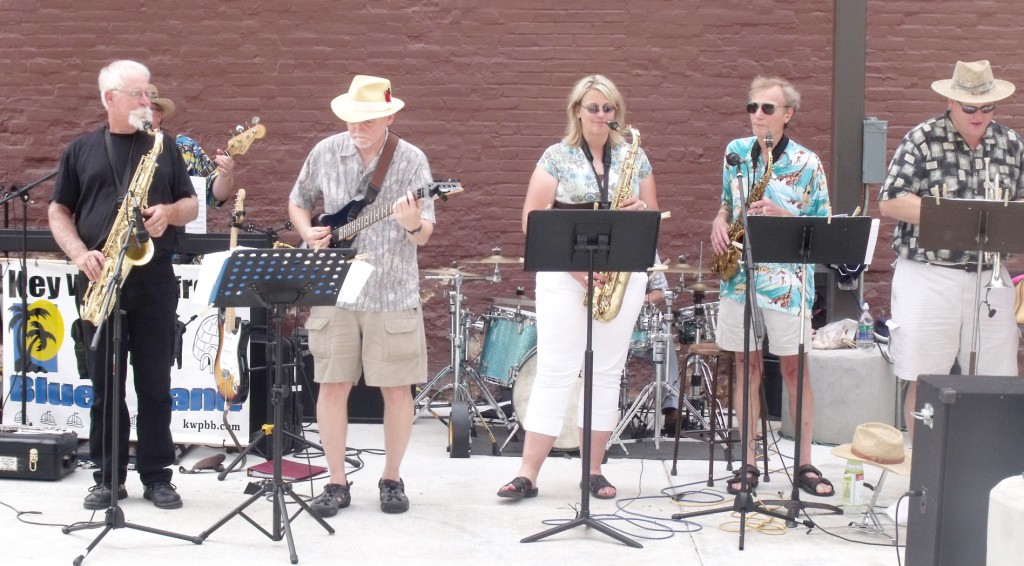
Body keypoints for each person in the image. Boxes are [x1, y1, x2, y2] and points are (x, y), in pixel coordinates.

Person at [48, 60, 198, 510]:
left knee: (155, 383)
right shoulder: (80, 151)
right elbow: (59, 211)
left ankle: (157, 476)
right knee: (105, 388)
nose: (146, 102)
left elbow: (191, 203)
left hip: (152, 279)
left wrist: (169, 213)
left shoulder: (162, 146)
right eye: (137, 95)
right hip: (100, 277)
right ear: (109, 99)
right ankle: (108, 476)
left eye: (148, 94)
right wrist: (79, 253)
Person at [498, 74, 656, 501]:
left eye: (609, 109)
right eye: (593, 108)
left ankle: (594, 471)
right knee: (555, 371)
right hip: (564, 276)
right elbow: (532, 219)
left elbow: (652, 219)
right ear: (577, 112)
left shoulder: (635, 159)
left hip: (621, 275)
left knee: (606, 374)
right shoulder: (557, 157)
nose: (602, 116)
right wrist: (578, 271)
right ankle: (528, 474)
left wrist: (641, 207)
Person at [288, 75, 434, 516]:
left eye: (367, 120)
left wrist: (410, 222)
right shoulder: (325, 151)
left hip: (392, 292)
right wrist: (306, 232)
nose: (358, 128)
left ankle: (392, 478)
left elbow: (424, 233)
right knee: (331, 386)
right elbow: (298, 201)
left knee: (396, 390)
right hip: (335, 291)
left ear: (389, 115)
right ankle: (336, 482)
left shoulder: (410, 160)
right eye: (352, 119)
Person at [879, 60, 1021, 440]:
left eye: (987, 107)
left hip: (989, 277)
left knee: (997, 378)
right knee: (925, 376)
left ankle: (985, 468)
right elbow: (891, 201)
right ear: (951, 102)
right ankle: (921, 467)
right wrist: (955, 218)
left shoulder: (1010, 144)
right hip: (929, 274)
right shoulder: (922, 139)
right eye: (970, 107)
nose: (979, 115)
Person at [709, 76, 833, 497]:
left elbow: (825, 225)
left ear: (787, 114)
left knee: (795, 368)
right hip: (741, 278)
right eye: (752, 108)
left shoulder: (807, 162)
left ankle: (805, 463)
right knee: (747, 366)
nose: (758, 115)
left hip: (788, 280)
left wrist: (784, 214)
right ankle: (748, 462)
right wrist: (719, 221)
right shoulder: (736, 153)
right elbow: (727, 202)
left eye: (767, 108)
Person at [147, 84, 237, 208]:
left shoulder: (184, 147)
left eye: (147, 109)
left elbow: (216, 196)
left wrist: (225, 175)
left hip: (176, 226)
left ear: (159, 115)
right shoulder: (121, 146)